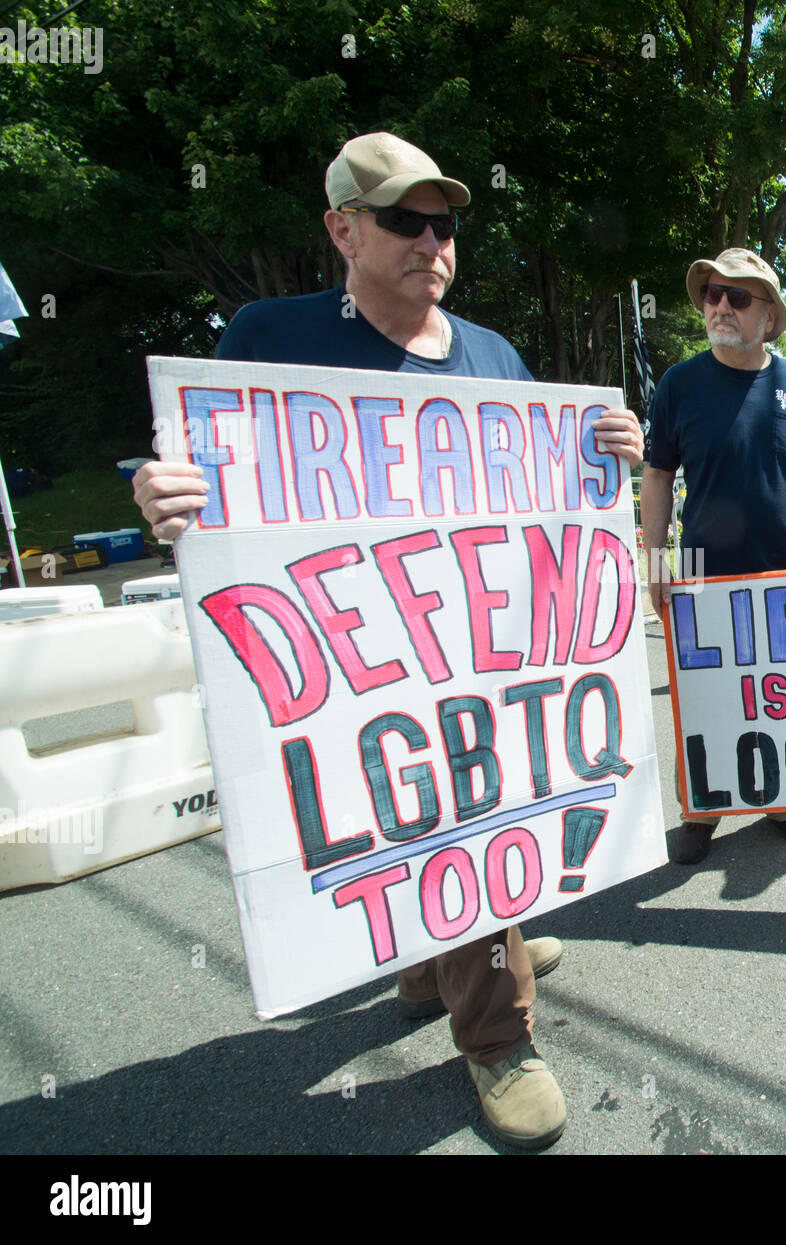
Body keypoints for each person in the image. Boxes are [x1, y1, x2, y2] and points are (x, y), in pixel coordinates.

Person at [132, 132, 645, 1150]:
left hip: (482, 651)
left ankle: (435, 961)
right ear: (342, 229)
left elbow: (540, 502)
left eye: (443, 221)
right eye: (404, 220)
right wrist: (157, 493)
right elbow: (196, 476)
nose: (430, 240)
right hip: (352, 654)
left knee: (479, 806)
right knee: (419, 812)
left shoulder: (496, 354)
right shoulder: (268, 340)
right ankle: (498, 1034)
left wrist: (607, 455)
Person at [640, 247, 786, 864]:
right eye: (713, 293)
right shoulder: (678, 385)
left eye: (738, 297)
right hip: (699, 575)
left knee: (785, 695)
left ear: (768, 316)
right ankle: (705, 808)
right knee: (705, 700)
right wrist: (655, 557)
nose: (720, 305)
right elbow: (657, 475)